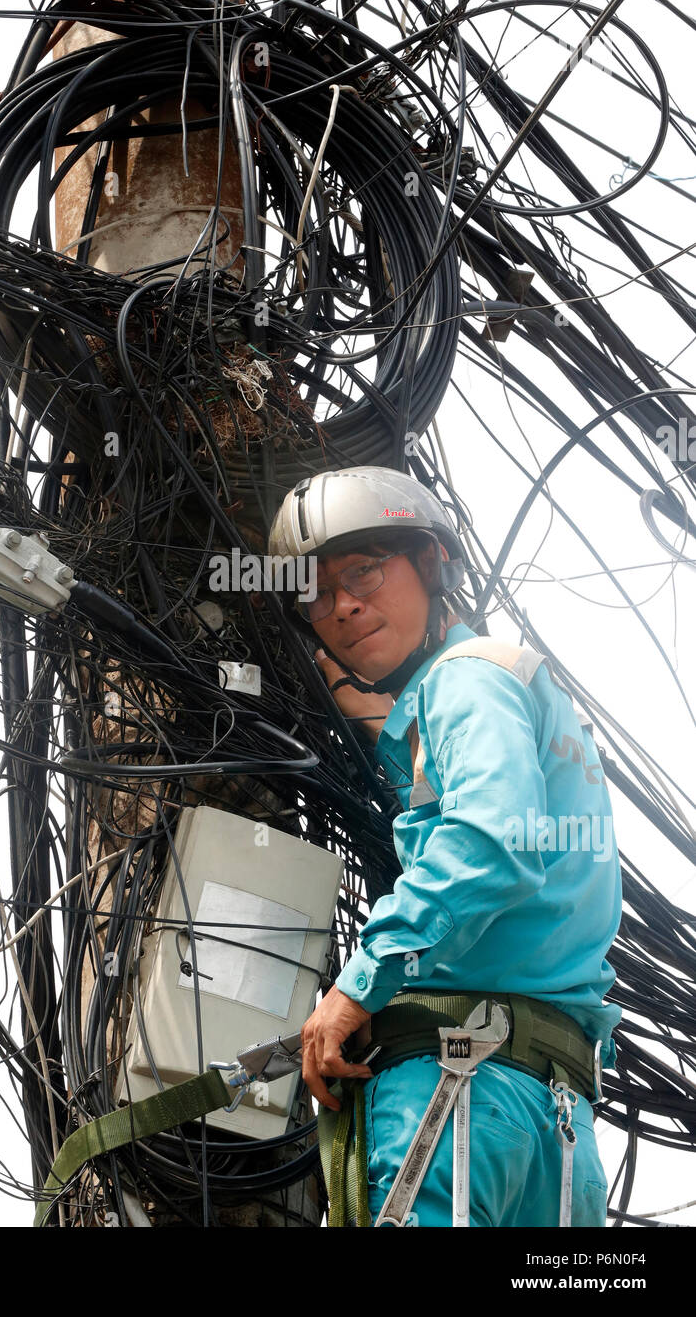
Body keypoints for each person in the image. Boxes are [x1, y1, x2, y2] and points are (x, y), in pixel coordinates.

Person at [268, 466, 622, 1227]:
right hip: (556, 1120)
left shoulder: (462, 682)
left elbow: (489, 841)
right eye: (318, 596)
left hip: (458, 1089)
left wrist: (356, 987)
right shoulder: (505, 689)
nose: (343, 607)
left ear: (430, 563)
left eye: (363, 569)